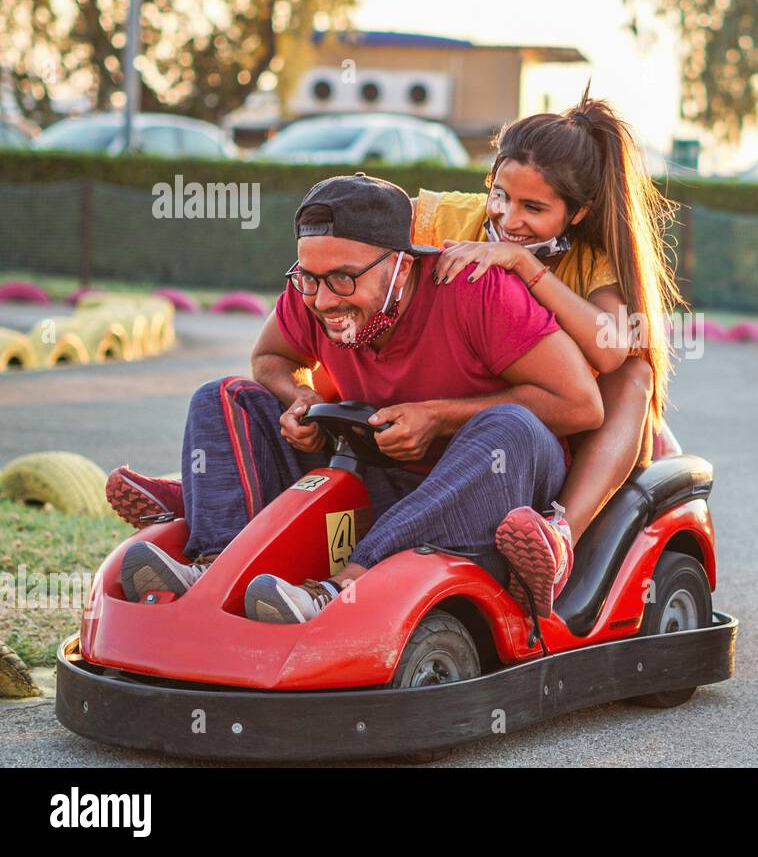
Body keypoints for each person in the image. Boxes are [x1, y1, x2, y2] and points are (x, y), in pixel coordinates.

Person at [106, 172, 603, 622]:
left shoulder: (477, 289)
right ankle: (214, 565)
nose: (324, 300)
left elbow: (581, 404)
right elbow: (269, 360)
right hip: (379, 478)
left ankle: (337, 591)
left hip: (491, 489)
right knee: (224, 396)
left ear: (402, 268)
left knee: (508, 426)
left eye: (344, 278)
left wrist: (440, 418)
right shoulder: (314, 291)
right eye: (309, 279)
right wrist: (296, 396)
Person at [409, 90, 682, 613]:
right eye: (500, 195)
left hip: (579, 432)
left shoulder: (589, 262)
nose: (509, 219)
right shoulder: (447, 216)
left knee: (633, 375)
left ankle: (559, 539)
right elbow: (366, 225)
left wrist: (523, 266)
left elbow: (611, 349)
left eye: (533, 208)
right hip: (492, 411)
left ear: (577, 213)